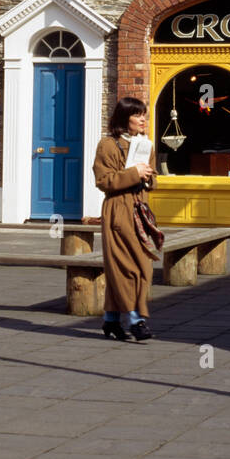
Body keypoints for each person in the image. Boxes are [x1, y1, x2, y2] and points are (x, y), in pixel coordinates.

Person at [92, 96, 159, 342]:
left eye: (144, 114)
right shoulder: (108, 145)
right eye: (137, 115)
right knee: (125, 267)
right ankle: (135, 320)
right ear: (124, 118)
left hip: (140, 210)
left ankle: (111, 320)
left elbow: (153, 180)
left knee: (142, 266)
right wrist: (134, 173)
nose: (143, 119)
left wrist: (148, 176)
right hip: (118, 209)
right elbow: (103, 181)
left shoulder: (146, 145)